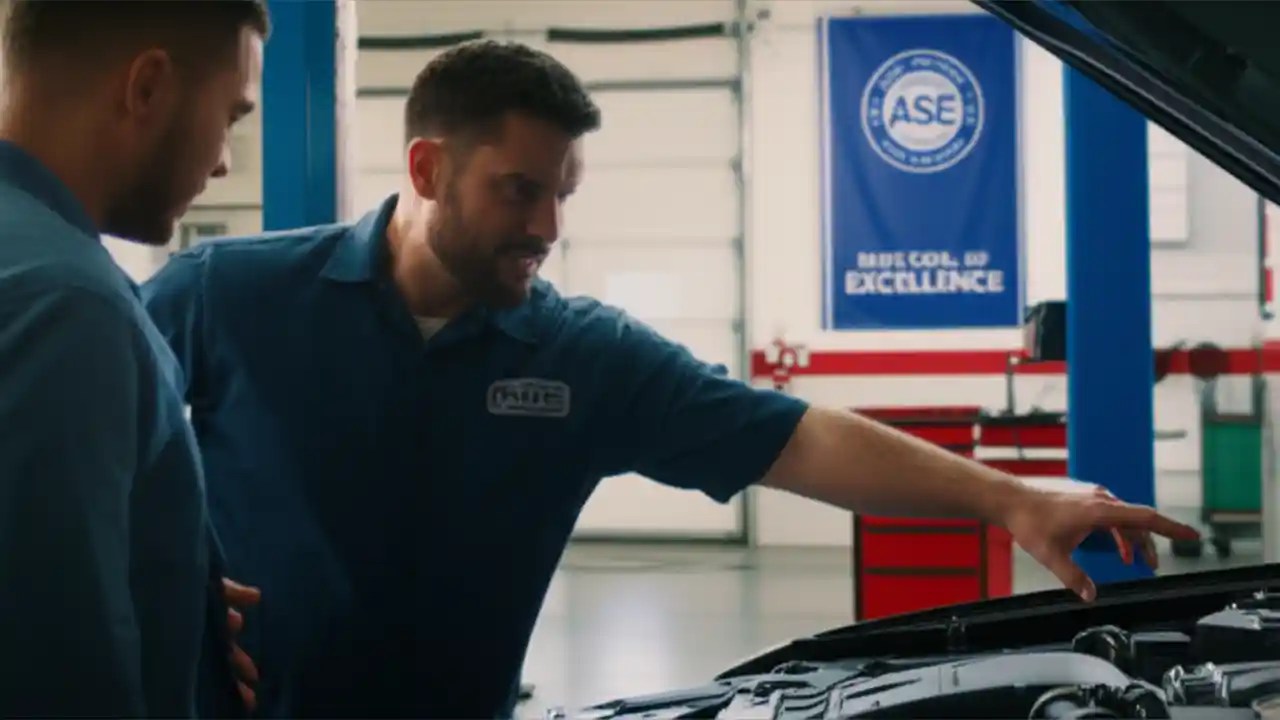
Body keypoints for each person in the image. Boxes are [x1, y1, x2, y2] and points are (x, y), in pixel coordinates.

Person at [140, 39, 1199, 718]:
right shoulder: (225, 295)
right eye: (519, 192)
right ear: (425, 170)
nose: (547, 228)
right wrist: (162, 582)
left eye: (561, 193)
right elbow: (83, 452)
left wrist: (1006, 497)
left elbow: (795, 438)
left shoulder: (579, 356)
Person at [0, 1, 269, 716]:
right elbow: (52, 668)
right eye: (231, 115)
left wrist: (172, 598)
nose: (222, 161)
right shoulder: (67, 305)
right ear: (147, 87)